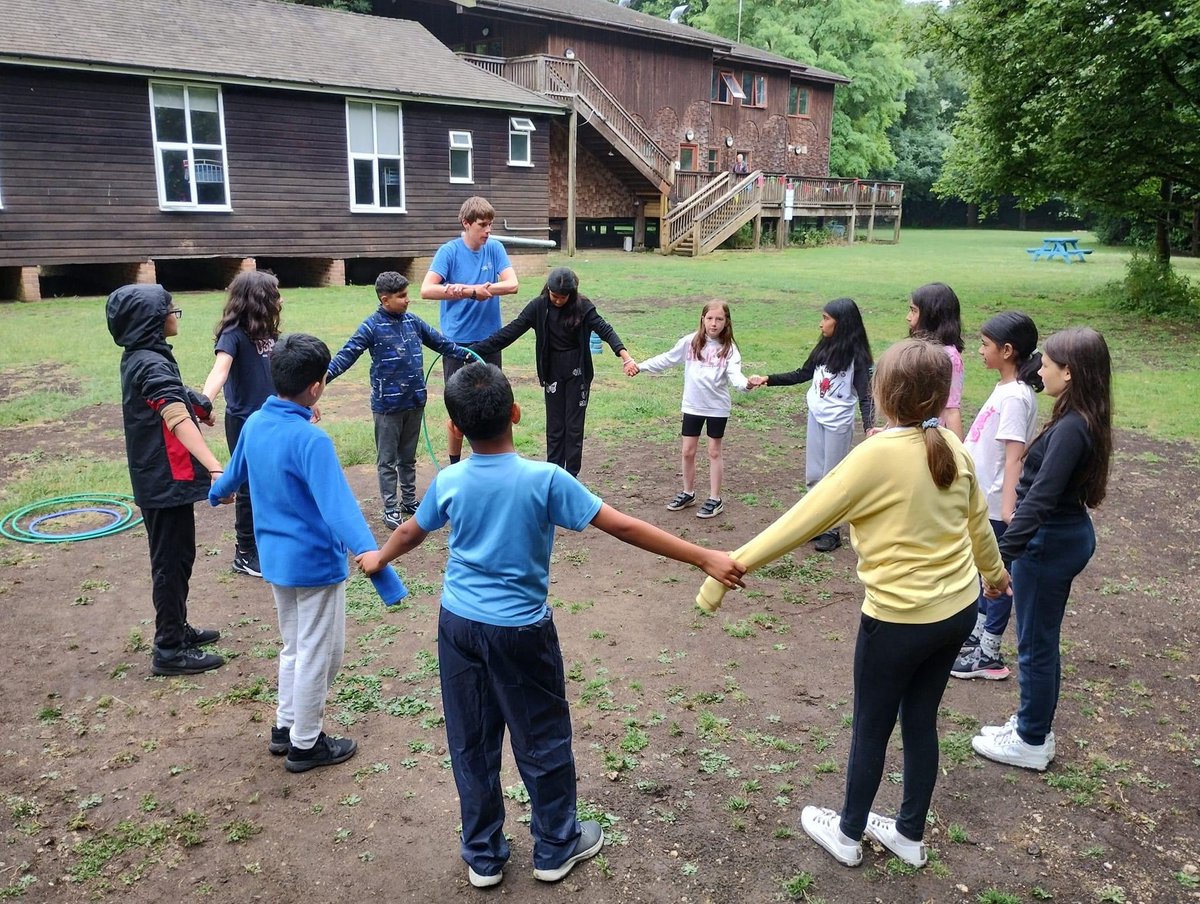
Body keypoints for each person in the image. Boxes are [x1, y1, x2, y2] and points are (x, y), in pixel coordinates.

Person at [355, 363, 745, 889]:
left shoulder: (450, 481)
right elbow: (623, 526)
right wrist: (702, 557)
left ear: (455, 428)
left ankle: (483, 855)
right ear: (516, 413)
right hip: (521, 633)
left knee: (471, 739)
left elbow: (410, 531)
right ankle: (556, 845)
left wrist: (379, 558)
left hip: (459, 626)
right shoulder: (546, 480)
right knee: (541, 737)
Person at [705, 339, 1007, 870]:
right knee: (920, 720)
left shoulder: (874, 457)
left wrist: (731, 566)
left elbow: (802, 520)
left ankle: (848, 834)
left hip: (897, 623)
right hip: (956, 612)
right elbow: (978, 524)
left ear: (885, 393)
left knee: (872, 725)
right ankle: (909, 835)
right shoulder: (952, 445)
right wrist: (996, 577)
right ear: (939, 397)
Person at [210, 333, 384, 773]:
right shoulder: (312, 441)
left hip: (276, 562)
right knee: (320, 653)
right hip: (315, 565)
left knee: (296, 646)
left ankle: (286, 726)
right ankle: (306, 744)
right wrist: (373, 557)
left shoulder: (254, 424)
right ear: (316, 385)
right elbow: (339, 507)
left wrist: (217, 492)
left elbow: (232, 476)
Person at [971, 327, 1112, 771]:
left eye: (1048, 363)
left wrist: (999, 562)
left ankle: (1032, 739)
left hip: (1049, 541)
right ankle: (1032, 723)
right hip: (1056, 536)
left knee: (1035, 641)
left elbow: (1038, 502)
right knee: (1038, 636)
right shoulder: (1077, 416)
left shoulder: (1073, 427)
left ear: (1069, 373)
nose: (1040, 368)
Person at [105, 283, 225, 677]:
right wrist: (214, 467)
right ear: (153, 321)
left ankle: (178, 629)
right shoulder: (151, 363)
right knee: (170, 563)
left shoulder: (145, 356)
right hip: (163, 480)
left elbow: (173, 396)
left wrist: (199, 403)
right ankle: (169, 649)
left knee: (179, 558)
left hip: (160, 478)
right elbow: (173, 416)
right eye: (172, 309)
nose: (176, 315)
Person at [326, 272, 471, 529]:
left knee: (408, 457)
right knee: (387, 459)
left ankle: (409, 500)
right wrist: (323, 377)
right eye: (401, 296)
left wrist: (466, 354)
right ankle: (391, 507)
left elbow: (440, 343)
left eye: (407, 294)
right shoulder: (371, 327)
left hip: (415, 401)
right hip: (387, 407)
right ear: (385, 300)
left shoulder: (413, 322)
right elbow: (347, 354)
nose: (408, 300)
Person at [471, 266, 637, 476]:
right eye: (554, 295)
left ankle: (572, 476)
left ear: (572, 294)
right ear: (547, 290)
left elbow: (605, 330)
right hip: (552, 370)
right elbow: (510, 332)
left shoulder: (583, 307)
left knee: (574, 427)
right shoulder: (539, 307)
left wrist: (626, 358)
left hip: (578, 371)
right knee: (555, 426)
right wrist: (474, 350)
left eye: (562, 297)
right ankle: (555, 473)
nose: (557, 300)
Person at [951, 313, 1043, 681]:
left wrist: (1008, 509)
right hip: (982, 501)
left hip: (996, 506)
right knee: (980, 572)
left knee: (997, 577)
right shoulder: (1005, 388)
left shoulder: (1017, 397)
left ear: (1007, 350)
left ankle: (989, 653)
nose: (979, 350)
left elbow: (1014, 455)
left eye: (985, 345)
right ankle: (976, 635)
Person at [747, 297, 875, 551]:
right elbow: (802, 373)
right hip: (816, 417)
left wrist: (870, 427)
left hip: (838, 423)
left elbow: (866, 396)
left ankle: (832, 531)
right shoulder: (824, 348)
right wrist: (767, 379)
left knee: (833, 478)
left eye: (826, 319)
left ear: (842, 324)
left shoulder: (858, 359)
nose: (821, 324)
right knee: (814, 475)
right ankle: (814, 525)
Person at [420, 196, 519, 465]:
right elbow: (427, 289)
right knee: (458, 406)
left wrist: (479, 290)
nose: (488, 231)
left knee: (495, 402)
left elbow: (512, 284)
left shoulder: (495, 248)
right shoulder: (448, 252)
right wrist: (465, 291)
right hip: (457, 344)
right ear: (466, 224)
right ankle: (454, 464)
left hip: (489, 341)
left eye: (490, 225)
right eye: (482, 225)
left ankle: (496, 459)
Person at [200, 270, 283, 578]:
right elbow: (220, 371)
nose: (281, 299)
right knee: (248, 487)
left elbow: (284, 373)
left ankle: (267, 542)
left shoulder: (270, 334)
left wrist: (306, 402)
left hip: (275, 419)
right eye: (275, 294)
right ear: (259, 300)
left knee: (273, 482)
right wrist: (205, 402)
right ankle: (244, 553)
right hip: (245, 423)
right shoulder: (233, 335)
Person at [634, 301, 748, 520]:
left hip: (717, 408)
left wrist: (747, 385)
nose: (714, 324)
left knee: (714, 451)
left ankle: (715, 498)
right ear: (702, 319)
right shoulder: (690, 342)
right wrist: (641, 366)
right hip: (692, 405)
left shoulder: (729, 349)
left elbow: (736, 376)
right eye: (710, 319)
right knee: (688, 451)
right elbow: (667, 359)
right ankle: (688, 492)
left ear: (727, 322)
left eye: (719, 319)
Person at [907, 283, 965, 438]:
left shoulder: (949, 357)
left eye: (914, 311)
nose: (908, 317)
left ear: (932, 315)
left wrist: (957, 454)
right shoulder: (916, 349)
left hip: (930, 438)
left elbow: (951, 409)